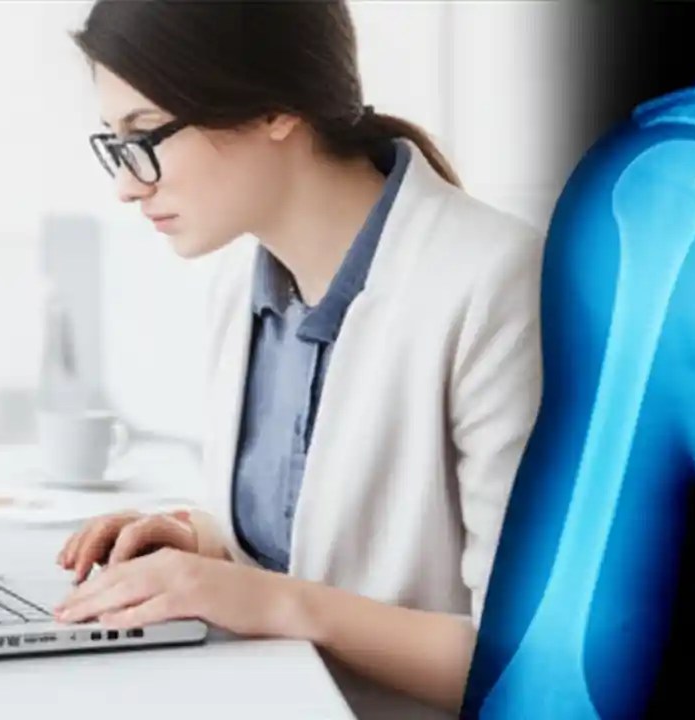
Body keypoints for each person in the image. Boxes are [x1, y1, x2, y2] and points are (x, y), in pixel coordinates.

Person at [48, 2, 543, 718]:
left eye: (146, 137)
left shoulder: (498, 282)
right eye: (114, 145)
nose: (126, 183)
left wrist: (264, 599)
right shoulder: (247, 282)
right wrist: (203, 547)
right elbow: (323, 544)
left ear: (277, 108)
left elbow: (531, 663)